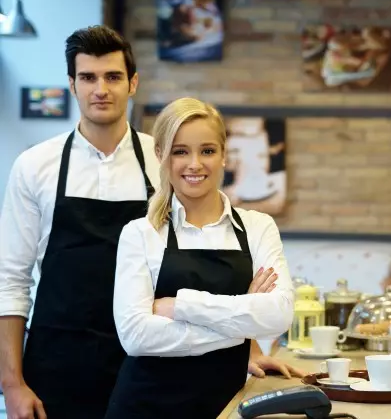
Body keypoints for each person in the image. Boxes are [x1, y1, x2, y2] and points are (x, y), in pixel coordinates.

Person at [0, 25, 158, 419]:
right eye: (88, 77)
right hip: (55, 368)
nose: (100, 89)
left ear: (133, 83)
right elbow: (11, 281)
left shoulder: (163, 162)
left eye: (113, 77)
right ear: (72, 84)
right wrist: (12, 385)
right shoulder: (34, 166)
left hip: (144, 365)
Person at [104, 97, 295, 419]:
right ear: (161, 156)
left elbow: (278, 316)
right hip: (145, 406)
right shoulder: (140, 233)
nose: (195, 164)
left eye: (207, 150)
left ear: (223, 155)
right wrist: (241, 323)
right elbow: (136, 337)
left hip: (227, 404)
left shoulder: (257, 226)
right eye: (181, 151)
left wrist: (180, 307)